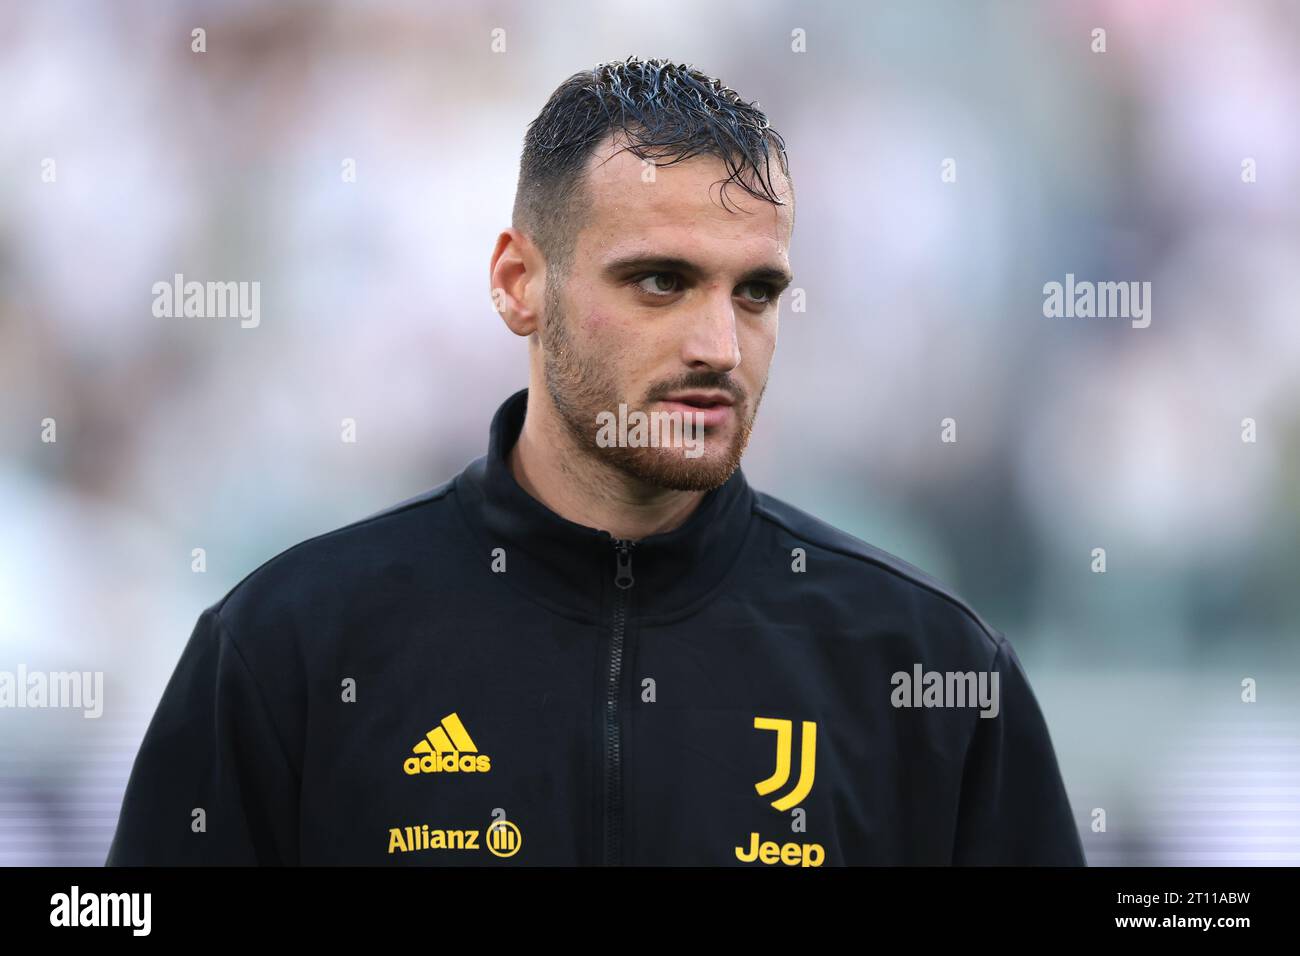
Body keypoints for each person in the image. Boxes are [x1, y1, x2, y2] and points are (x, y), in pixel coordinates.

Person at [107, 55, 1085, 866]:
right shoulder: (291, 647)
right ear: (517, 283)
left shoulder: (925, 666)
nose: (719, 344)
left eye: (755, 292)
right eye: (660, 281)